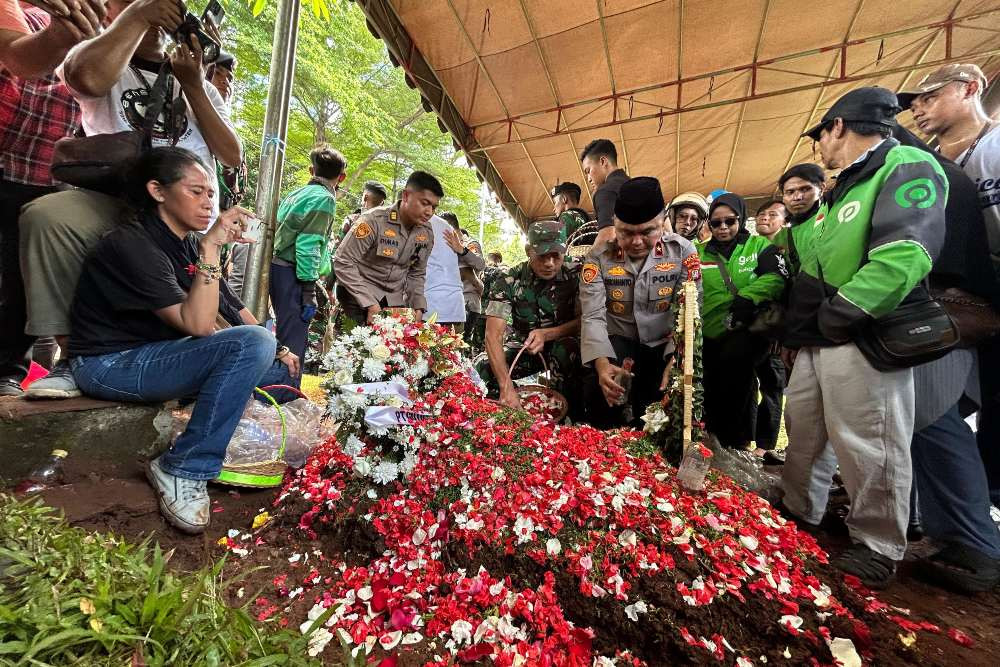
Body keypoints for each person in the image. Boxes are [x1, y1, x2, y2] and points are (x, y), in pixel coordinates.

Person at [19, 0, 242, 399]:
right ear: (111, 13)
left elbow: (231, 154)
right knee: (48, 215)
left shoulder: (202, 86)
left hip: (183, 224)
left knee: (199, 314)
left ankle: (179, 365)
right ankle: (74, 358)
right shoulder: (104, 61)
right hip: (118, 206)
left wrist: (192, 83)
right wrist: (138, 17)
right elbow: (85, 78)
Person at [68, 147, 298, 533]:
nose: (209, 203)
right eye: (196, 191)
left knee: (277, 368)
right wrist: (212, 247)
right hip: (108, 364)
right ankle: (184, 467)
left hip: (159, 354)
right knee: (253, 345)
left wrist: (282, 348)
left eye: (211, 193)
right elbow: (198, 323)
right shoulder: (133, 244)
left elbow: (230, 304)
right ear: (158, 191)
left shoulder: (186, 242)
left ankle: (215, 432)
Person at [780, 87, 948, 588]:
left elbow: (905, 254)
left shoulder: (905, 165)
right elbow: (817, 257)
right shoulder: (844, 185)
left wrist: (841, 314)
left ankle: (878, 543)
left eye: (821, 136)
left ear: (838, 126)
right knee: (804, 425)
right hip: (819, 335)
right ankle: (799, 508)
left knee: (870, 439)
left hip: (861, 331)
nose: (819, 151)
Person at [891, 124, 1000, 592]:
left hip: (941, 318)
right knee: (926, 424)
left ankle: (974, 544)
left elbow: (921, 256)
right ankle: (943, 529)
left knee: (936, 422)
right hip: (944, 317)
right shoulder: (936, 172)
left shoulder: (927, 175)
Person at [900, 63, 1000, 509]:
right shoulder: (921, 163)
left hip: (992, 294)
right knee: (936, 413)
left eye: (929, 97)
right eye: (914, 103)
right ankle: (934, 513)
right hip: (953, 305)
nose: (918, 109)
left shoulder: (996, 146)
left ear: (971, 88)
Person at [0, 0, 106, 396]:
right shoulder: (14, 10)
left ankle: (9, 367)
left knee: (22, 282)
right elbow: (21, 57)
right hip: (8, 158)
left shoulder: (103, 26)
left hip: (46, 171)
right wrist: (62, 34)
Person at [579, 176, 700, 428]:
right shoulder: (597, 258)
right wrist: (601, 365)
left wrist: (676, 361)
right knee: (602, 398)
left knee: (659, 413)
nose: (636, 242)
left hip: (664, 345)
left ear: (663, 221)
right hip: (616, 343)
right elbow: (592, 315)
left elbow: (689, 313)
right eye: (626, 232)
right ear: (614, 224)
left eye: (647, 232)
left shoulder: (684, 253)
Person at [698, 193, 786, 450]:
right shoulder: (697, 252)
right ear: (709, 225)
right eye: (716, 223)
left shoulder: (759, 246)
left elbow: (777, 277)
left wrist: (748, 297)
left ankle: (734, 448)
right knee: (708, 397)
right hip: (707, 339)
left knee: (738, 391)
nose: (723, 228)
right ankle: (711, 450)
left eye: (730, 221)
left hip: (746, 335)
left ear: (741, 219)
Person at [479, 221, 582, 416]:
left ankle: (569, 417)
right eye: (542, 255)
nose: (550, 263)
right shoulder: (509, 279)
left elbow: (586, 321)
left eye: (556, 255)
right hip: (523, 346)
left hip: (562, 346)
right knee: (484, 365)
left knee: (568, 350)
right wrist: (506, 386)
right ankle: (499, 415)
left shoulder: (576, 273)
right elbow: (493, 335)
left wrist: (548, 334)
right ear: (528, 251)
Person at [270, 145, 345, 380]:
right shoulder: (324, 199)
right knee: (293, 338)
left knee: (284, 332)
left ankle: (280, 390)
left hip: (278, 268)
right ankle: (284, 393)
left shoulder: (297, 193)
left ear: (312, 170)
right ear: (341, 177)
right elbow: (309, 246)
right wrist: (308, 290)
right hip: (293, 273)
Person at [333, 170, 439, 324]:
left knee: (389, 347)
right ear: (406, 196)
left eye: (434, 207)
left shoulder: (426, 233)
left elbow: (416, 273)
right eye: (424, 203)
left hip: (392, 303)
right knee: (353, 346)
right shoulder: (373, 220)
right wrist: (369, 303)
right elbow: (343, 261)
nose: (429, 212)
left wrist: (418, 305)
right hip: (356, 296)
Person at [749, 200, 790, 456]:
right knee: (748, 389)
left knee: (772, 388)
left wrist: (781, 333)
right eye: (761, 213)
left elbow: (787, 294)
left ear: (784, 222)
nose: (765, 218)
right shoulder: (755, 249)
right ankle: (745, 441)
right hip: (752, 332)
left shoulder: (787, 251)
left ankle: (765, 447)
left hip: (775, 334)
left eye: (772, 214)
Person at [440, 212, 486, 338]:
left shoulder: (470, 244)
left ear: (449, 226)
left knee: (461, 343)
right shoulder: (444, 244)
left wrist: (461, 250)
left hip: (467, 301)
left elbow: (480, 264)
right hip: (447, 300)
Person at [775, 163, 826, 278]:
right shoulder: (781, 237)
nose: (797, 197)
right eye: (790, 192)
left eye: (805, 189)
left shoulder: (833, 220)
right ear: (783, 196)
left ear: (822, 189)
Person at [580, 139, 629, 251]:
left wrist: (588, 262)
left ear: (603, 161)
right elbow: (666, 228)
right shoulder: (640, 186)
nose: (588, 179)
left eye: (588, 171)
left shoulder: (605, 191)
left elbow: (607, 237)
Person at [422, 212, 466, 331]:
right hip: (454, 309)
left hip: (431, 308)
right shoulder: (445, 227)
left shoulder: (420, 225)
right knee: (453, 348)